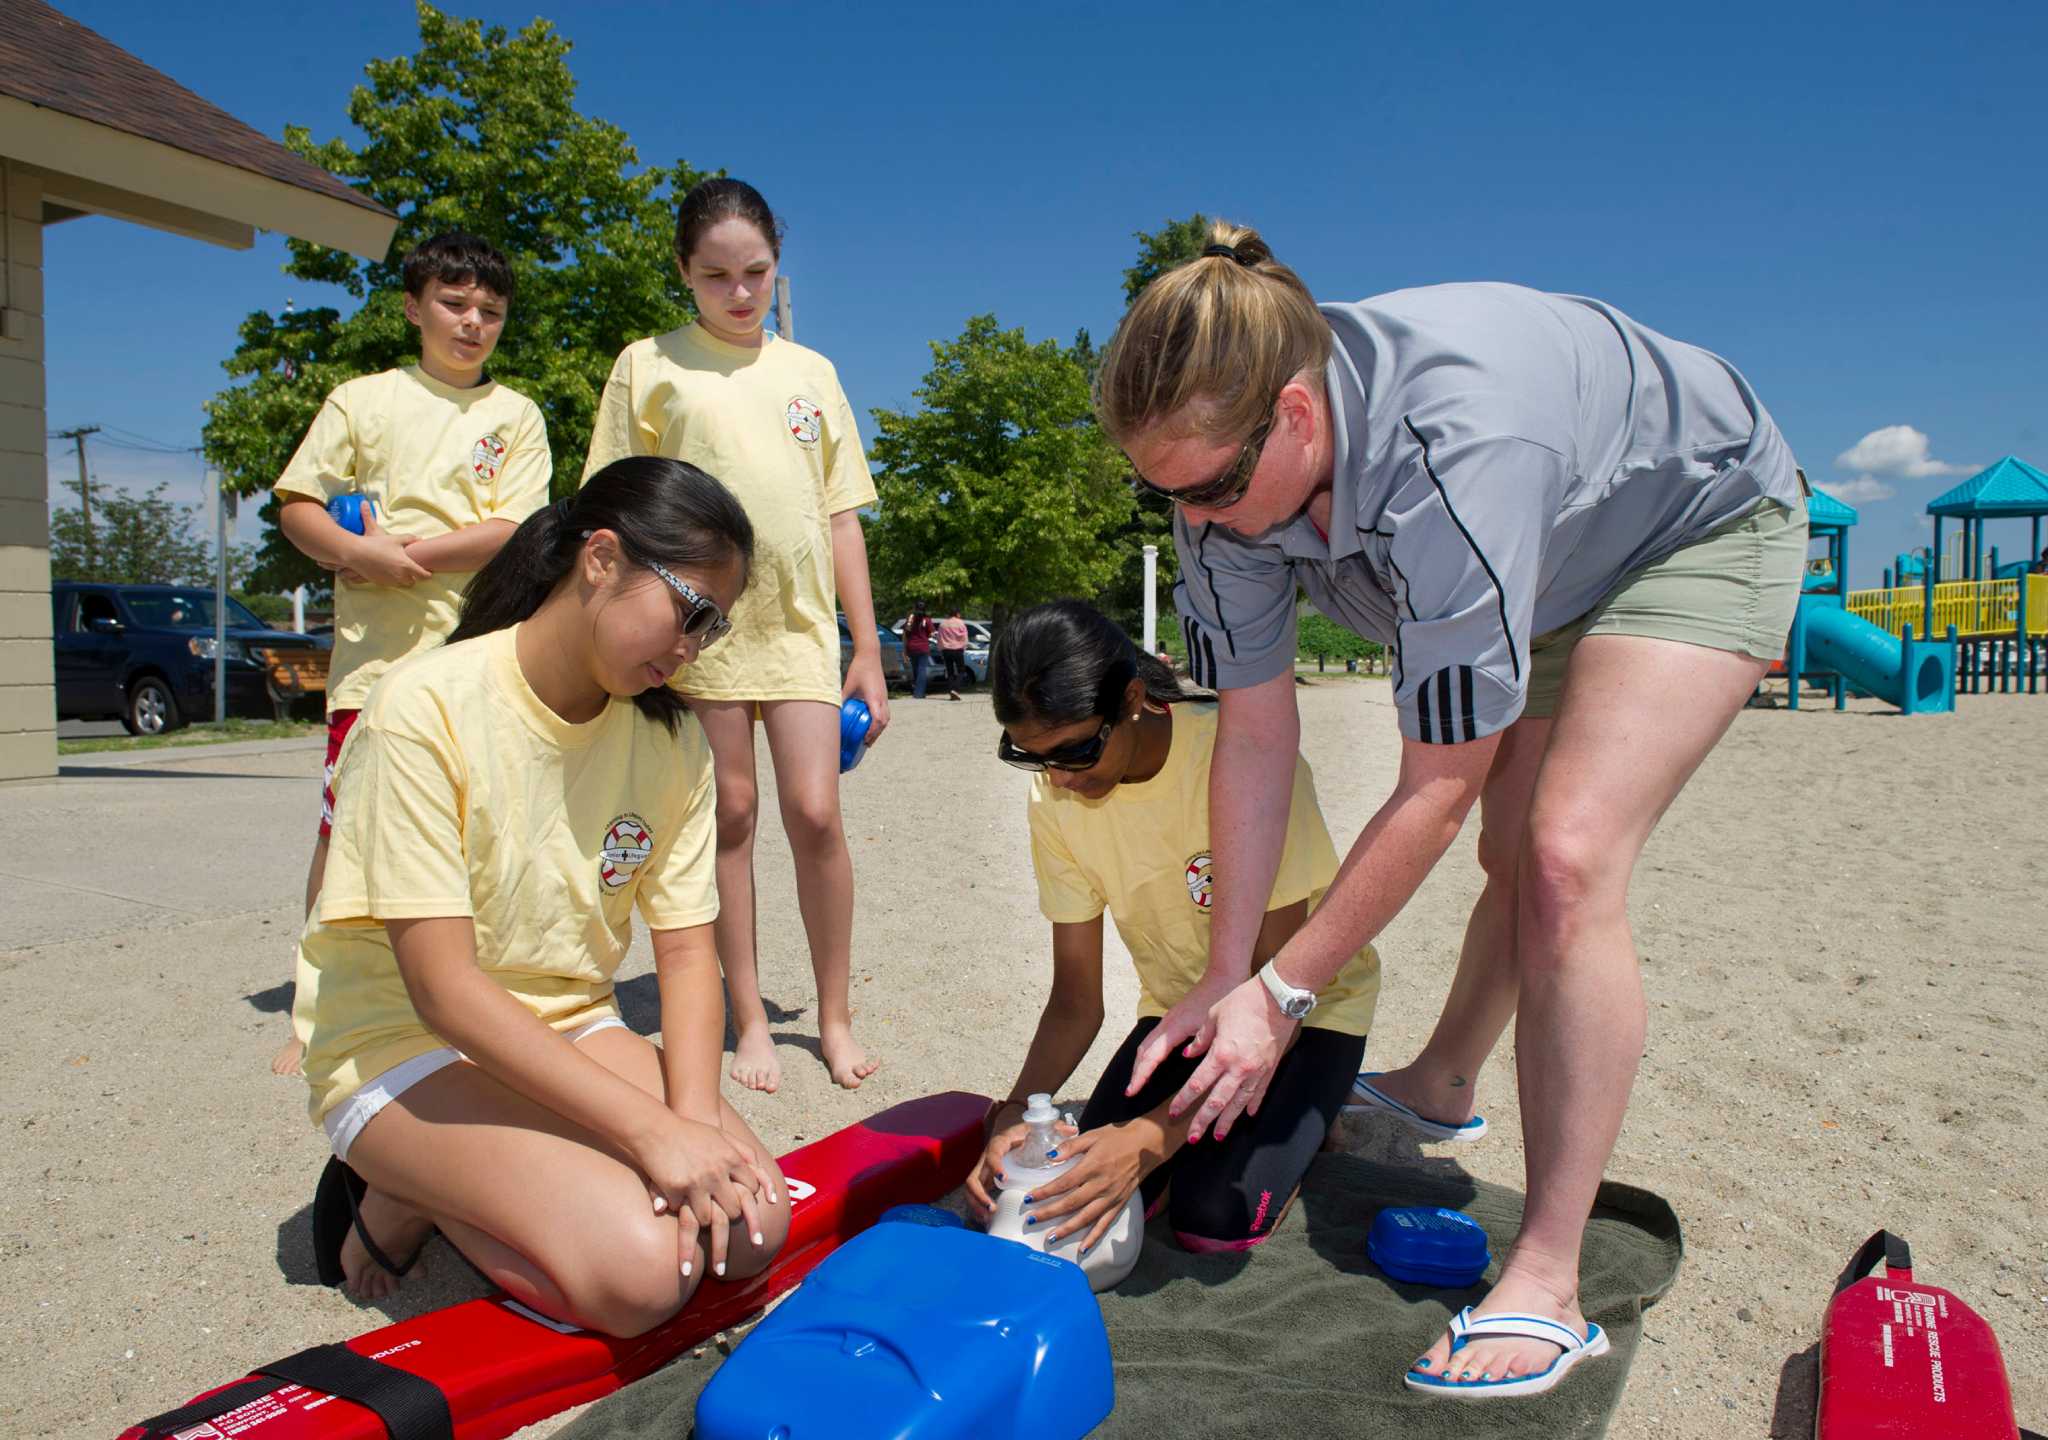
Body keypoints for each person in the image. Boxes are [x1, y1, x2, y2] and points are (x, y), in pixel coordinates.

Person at [1093, 225, 1807, 1399]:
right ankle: (1442, 1084)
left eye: (1213, 488)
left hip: (1687, 519)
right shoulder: (1211, 493)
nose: (1197, 521)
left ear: (1297, 414)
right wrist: (1227, 967)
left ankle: (1547, 1280)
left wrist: (1280, 997)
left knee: (1565, 859)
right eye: (1161, 491)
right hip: (1548, 549)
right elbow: (1258, 736)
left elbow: (1432, 780)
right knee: (1505, 855)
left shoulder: (1453, 452)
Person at [291, 457, 788, 1329]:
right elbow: (442, 989)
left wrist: (694, 1122)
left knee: (748, 1229)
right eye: (691, 612)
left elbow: (683, 953)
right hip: (401, 1042)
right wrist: (647, 1134)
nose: (691, 648)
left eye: (713, 631)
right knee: (644, 1275)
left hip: (570, 1022)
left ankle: (467, 1179)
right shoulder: (424, 707)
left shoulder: (670, 745)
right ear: (600, 559)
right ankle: (403, 1191)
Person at [585, 179, 883, 1092]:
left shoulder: (812, 373)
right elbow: (614, 502)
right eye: (716, 275)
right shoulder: (648, 364)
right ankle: (747, 1017)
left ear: (776, 268)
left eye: (756, 272)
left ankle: (831, 1018)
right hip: (695, 630)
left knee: (818, 813)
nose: (739, 291)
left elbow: (840, 516)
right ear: (684, 271)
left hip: (797, 629)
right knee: (732, 817)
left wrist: (865, 646)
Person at [964, 601, 1379, 1257]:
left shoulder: (1240, 763)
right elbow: (1076, 998)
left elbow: (1273, 990)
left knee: (1211, 1217)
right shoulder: (1054, 798)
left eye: (1076, 750)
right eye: (1033, 757)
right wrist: (1015, 1113)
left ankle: (1322, 1103)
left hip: (1299, 1015)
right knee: (1076, 1185)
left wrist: (1153, 1137)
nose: (1063, 779)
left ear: (1133, 698)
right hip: (1181, 1013)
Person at [268, 232, 552, 1077]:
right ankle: (316, 1009)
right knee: (346, 832)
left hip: (482, 660)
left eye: (490, 311)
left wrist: (410, 556)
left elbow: (515, 531)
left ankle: (466, 999)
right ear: (414, 305)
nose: (472, 323)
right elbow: (298, 507)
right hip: (374, 668)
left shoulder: (517, 415)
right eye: (455, 304)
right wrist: (357, 554)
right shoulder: (362, 400)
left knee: (479, 835)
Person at [936, 606, 970, 700]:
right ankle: (955, 689)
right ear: (957, 614)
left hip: (946, 650)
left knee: (950, 671)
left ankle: (951, 691)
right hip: (958, 649)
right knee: (961, 671)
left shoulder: (943, 624)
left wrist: (940, 648)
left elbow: (939, 637)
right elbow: (964, 637)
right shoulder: (960, 623)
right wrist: (964, 646)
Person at [903, 605, 936, 699]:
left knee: (916, 669)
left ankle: (918, 690)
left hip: (911, 647)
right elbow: (931, 633)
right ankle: (919, 693)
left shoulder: (910, 619)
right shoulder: (926, 619)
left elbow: (906, 632)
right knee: (922, 670)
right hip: (923, 647)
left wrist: (904, 649)